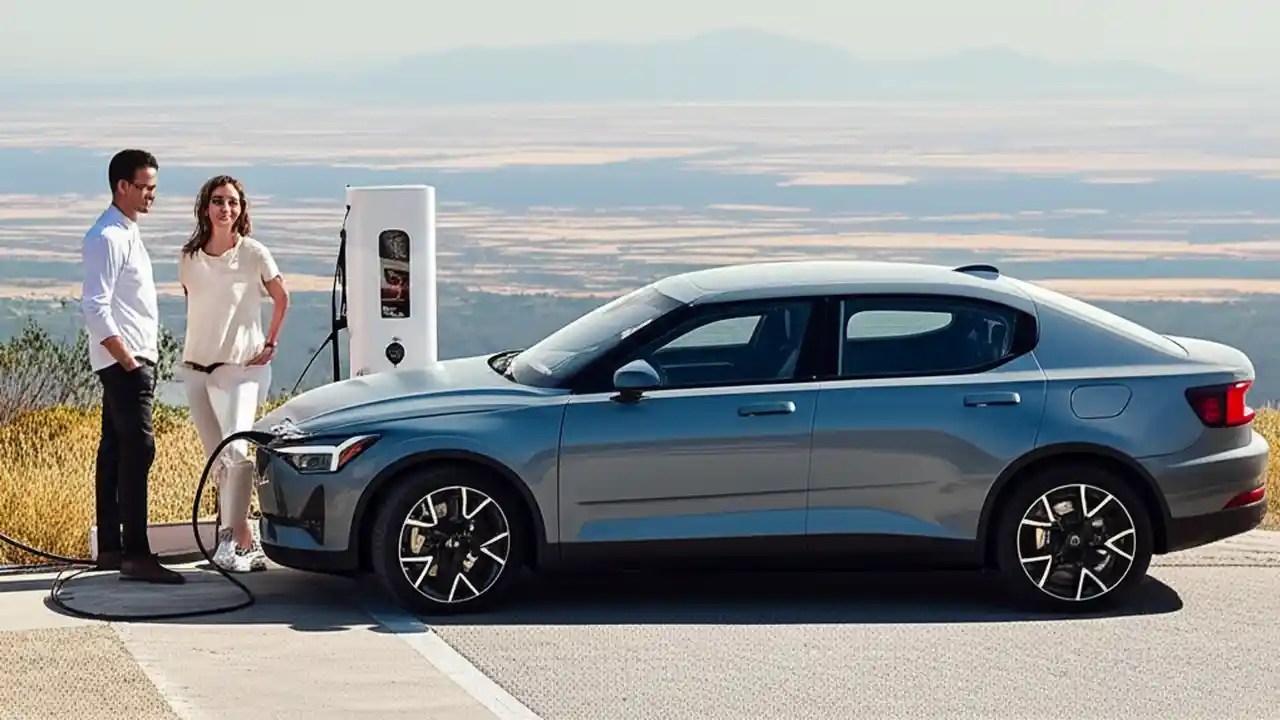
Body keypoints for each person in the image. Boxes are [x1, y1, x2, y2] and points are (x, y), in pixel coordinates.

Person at [81, 149, 184, 584]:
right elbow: (95, 305)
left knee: (114, 451)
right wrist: (126, 358)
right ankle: (137, 554)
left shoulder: (126, 232)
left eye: (153, 189)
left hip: (132, 360)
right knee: (139, 451)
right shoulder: (107, 236)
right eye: (142, 187)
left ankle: (111, 548)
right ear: (121, 186)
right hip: (127, 363)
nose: (149, 196)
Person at [178, 175, 289, 573]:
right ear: (205, 207)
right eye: (218, 201)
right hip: (196, 368)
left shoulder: (254, 253)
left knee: (238, 454)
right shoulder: (189, 257)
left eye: (233, 203)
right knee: (218, 462)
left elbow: (281, 297)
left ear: (242, 210)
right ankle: (246, 541)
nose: (226, 209)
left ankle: (227, 543)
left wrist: (270, 343)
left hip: (241, 368)